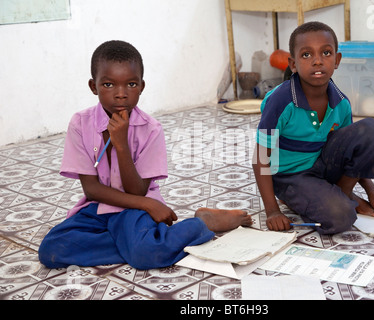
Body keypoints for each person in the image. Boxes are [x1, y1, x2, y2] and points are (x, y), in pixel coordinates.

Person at [38, 40, 252, 270]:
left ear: (141, 86)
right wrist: (150, 205)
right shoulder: (81, 123)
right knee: (52, 249)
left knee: (145, 255)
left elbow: (138, 190)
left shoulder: (150, 129)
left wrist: (121, 145)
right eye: (109, 84)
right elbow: (91, 189)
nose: (121, 94)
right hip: (102, 206)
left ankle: (200, 224)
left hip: (134, 210)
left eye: (131, 84)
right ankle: (146, 242)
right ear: (93, 86)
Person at [252, 22, 374, 234]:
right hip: (290, 177)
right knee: (341, 217)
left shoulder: (341, 103)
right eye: (307, 55)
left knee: (371, 130)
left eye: (326, 53)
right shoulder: (281, 102)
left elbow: (353, 152)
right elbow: (261, 158)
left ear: (337, 60)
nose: (318, 61)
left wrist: (372, 191)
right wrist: (272, 211)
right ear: (293, 64)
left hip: (323, 166)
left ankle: (342, 192)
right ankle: (311, 198)